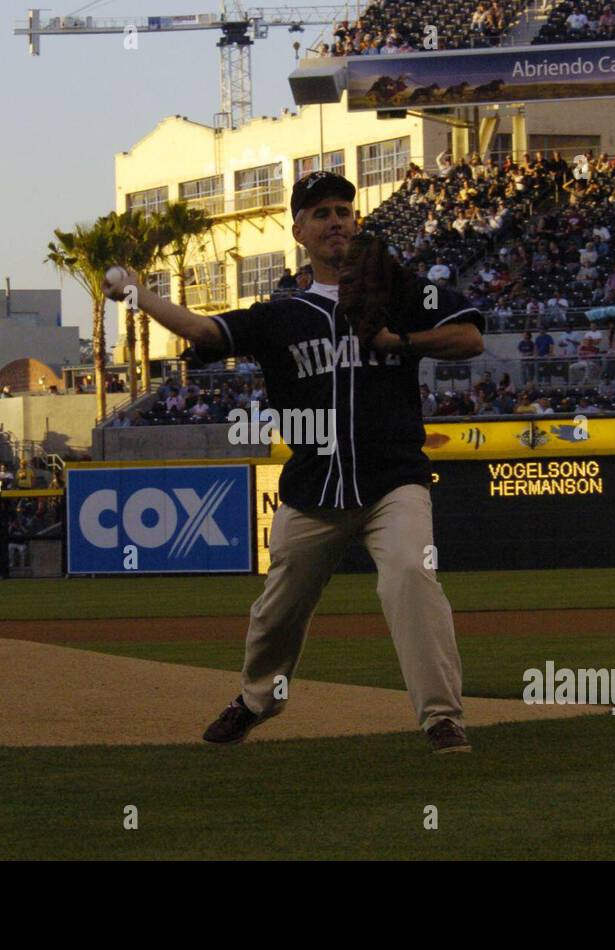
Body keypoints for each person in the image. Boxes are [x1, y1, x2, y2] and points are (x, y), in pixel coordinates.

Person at [103, 170, 484, 754]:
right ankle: (258, 700)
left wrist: (397, 342)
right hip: (313, 489)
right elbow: (204, 328)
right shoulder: (280, 314)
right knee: (277, 610)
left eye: (344, 210)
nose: (337, 220)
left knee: (411, 576)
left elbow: (469, 338)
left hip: (393, 480)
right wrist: (138, 294)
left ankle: (441, 717)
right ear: (299, 229)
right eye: (322, 213)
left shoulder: (396, 291)